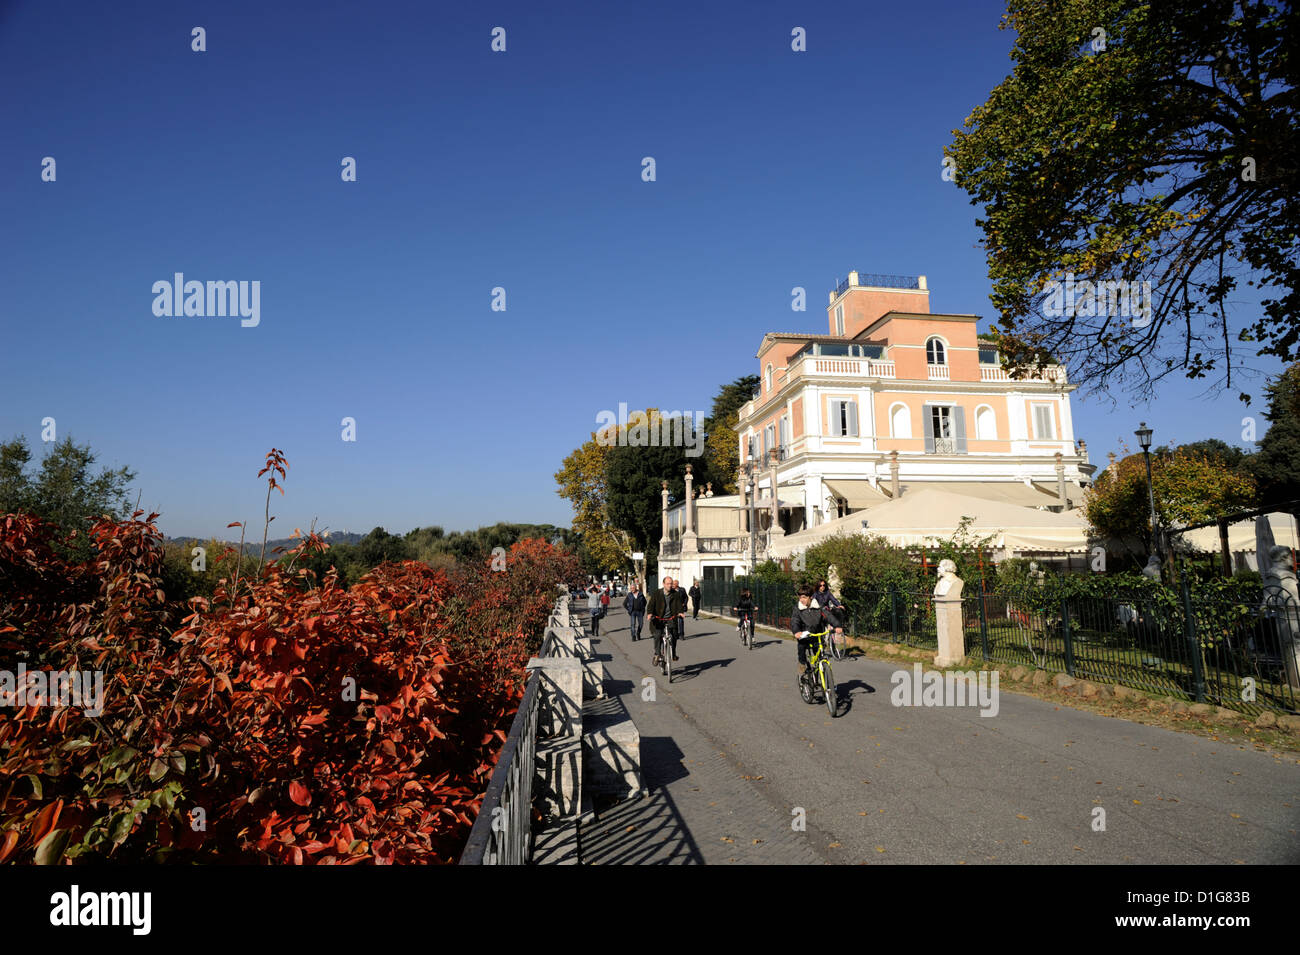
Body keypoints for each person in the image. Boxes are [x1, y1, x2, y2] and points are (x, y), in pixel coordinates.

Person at [790, 584, 843, 678]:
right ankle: (802, 664)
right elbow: (795, 621)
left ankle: (823, 679)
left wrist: (837, 625)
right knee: (801, 648)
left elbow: (829, 616)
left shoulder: (819, 607)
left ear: (810, 597)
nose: (802, 600)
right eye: (800, 597)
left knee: (820, 656)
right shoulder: (797, 609)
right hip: (804, 637)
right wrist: (797, 632)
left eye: (804, 597)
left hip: (817, 636)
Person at [646, 576, 683, 666]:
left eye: (671, 584)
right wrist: (650, 613)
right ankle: (657, 654)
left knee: (674, 636)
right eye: (668, 584)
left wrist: (681, 612)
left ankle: (673, 654)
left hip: (671, 618)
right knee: (657, 635)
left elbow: (679, 605)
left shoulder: (676, 594)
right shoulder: (657, 593)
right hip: (659, 619)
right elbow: (651, 605)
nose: (670, 585)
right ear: (663, 584)